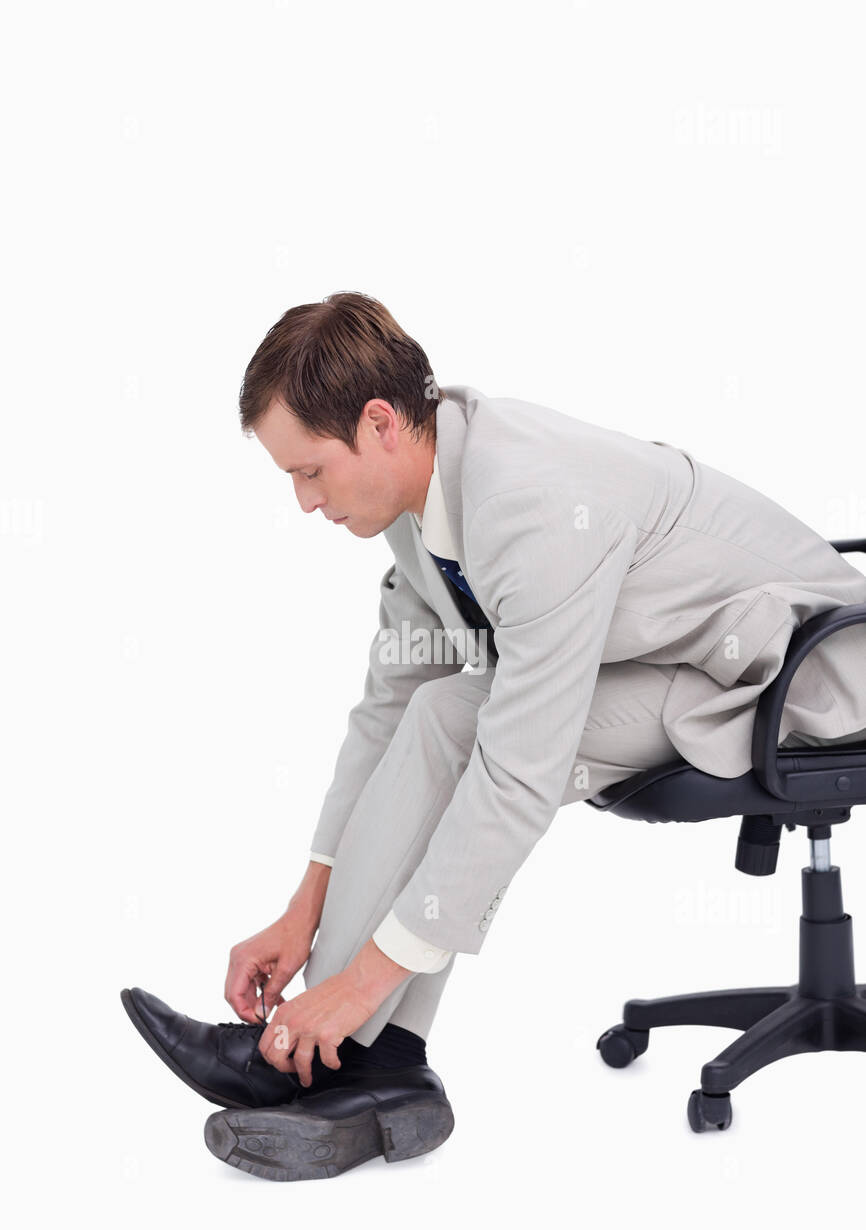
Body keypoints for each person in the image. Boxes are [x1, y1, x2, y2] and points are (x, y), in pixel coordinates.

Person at [121, 291, 866, 1183]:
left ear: (380, 421)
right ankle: (368, 1060)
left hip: (806, 680)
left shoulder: (532, 503)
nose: (304, 501)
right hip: (704, 665)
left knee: (469, 731)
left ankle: (345, 1051)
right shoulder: (415, 513)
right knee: (435, 711)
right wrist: (304, 904)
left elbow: (516, 775)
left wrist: (351, 984)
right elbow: (385, 711)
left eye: (311, 471)